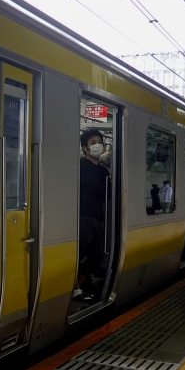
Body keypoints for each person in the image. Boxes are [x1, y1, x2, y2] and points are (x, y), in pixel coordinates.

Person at [75, 129, 109, 303]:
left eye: (99, 142)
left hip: (97, 218)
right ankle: (76, 289)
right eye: (92, 143)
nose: (97, 145)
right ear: (85, 148)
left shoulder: (103, 172)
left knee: (96, 255)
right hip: (82, 216)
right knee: (79, 254)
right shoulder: (79, 167)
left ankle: (78, 285)